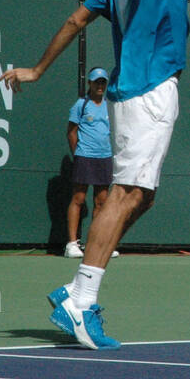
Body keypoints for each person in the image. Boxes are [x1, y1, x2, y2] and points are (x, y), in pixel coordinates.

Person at [1, 0, 190, 351]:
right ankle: (83, 302)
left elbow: (74, 20)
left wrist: (39, 70)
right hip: (149, 92)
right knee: (128, 193)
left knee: (138, 195)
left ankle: (75, 289)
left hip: (136, 95)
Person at [65, 69, 114, 258]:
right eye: (96, 82)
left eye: (103, 82)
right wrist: (78, 153)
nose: (100, 86)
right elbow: (71, 131)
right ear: (90, 84)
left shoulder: (110, 105)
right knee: (78, 199)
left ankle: (96, 245)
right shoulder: (81, 104)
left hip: (104, 157)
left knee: (101, 202)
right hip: (84, 157)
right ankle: (71, 244)